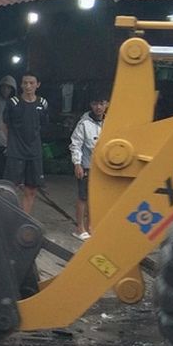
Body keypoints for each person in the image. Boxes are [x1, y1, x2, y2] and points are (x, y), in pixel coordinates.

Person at [3, 74, 49, 215]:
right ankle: (9, 217)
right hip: (16, 151)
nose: (28, 86)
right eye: (25, 83)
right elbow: (4, 124)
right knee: (11, 187)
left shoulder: (43, 104)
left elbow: (43, 126)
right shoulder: (13, 103)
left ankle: (25, 218)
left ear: (38, 84)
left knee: (31, 188)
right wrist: (10, 143)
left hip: (34, 152)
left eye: (31, 83)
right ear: (21, 85)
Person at [69, 93, 109, 240]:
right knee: (83, 197)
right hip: (86, 166)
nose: (98, 107)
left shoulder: (110, 122)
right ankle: (79, 228)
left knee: (96, 198)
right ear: (91, 105)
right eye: (95, 104)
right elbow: (76, 145)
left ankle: (91, 226)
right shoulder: (84, 124)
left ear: (107, 104)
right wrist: (77, 164)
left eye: (101, 103)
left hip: (104, 167)